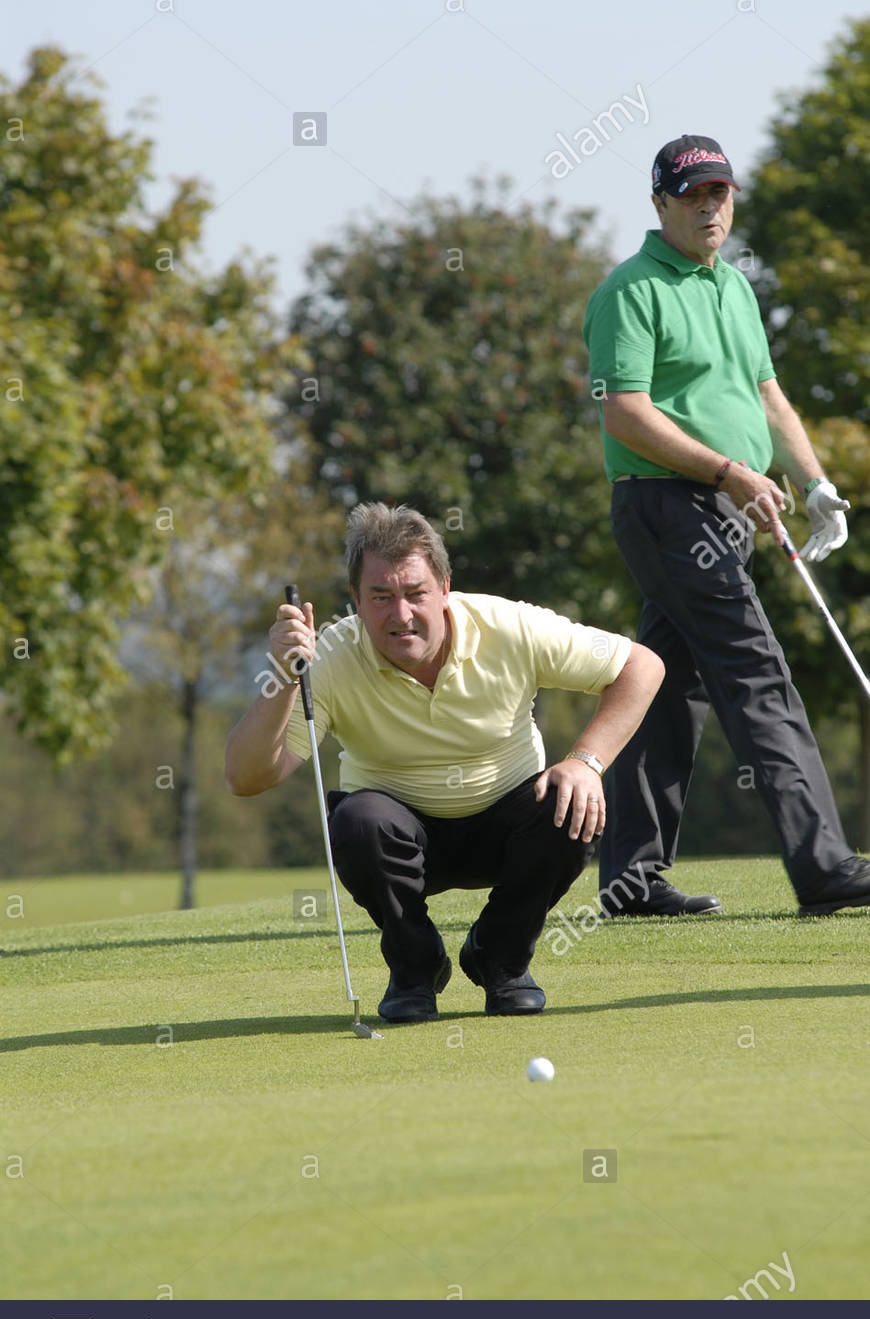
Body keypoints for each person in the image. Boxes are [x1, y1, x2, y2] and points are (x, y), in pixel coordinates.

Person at [225, 503, 664, 1022]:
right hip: (400, 841)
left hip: (510, 825)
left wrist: (586, 760)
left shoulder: (508, 625)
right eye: (381, 597)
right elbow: (248, 776)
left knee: (570, 801)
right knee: (359, 821)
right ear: (356, 602)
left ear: (445, 588)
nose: (401, 614)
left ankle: (500, 958)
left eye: (416, 594)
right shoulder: (330, 658)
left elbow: (642, 665)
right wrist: (284, 676)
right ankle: (415, 968)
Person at [582, 133, 870, 919]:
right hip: (669, 506)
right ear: (660, 204)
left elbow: (768, 396)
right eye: (694, 195)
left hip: (727, 510)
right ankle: (824, 866)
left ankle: (630, 880)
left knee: (667, 684)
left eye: (721, 194)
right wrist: (729, 472)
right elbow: (625, 413)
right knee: (757, 673)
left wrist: (814, 483)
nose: (711, 208)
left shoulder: (735, 288)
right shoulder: (629, 291)